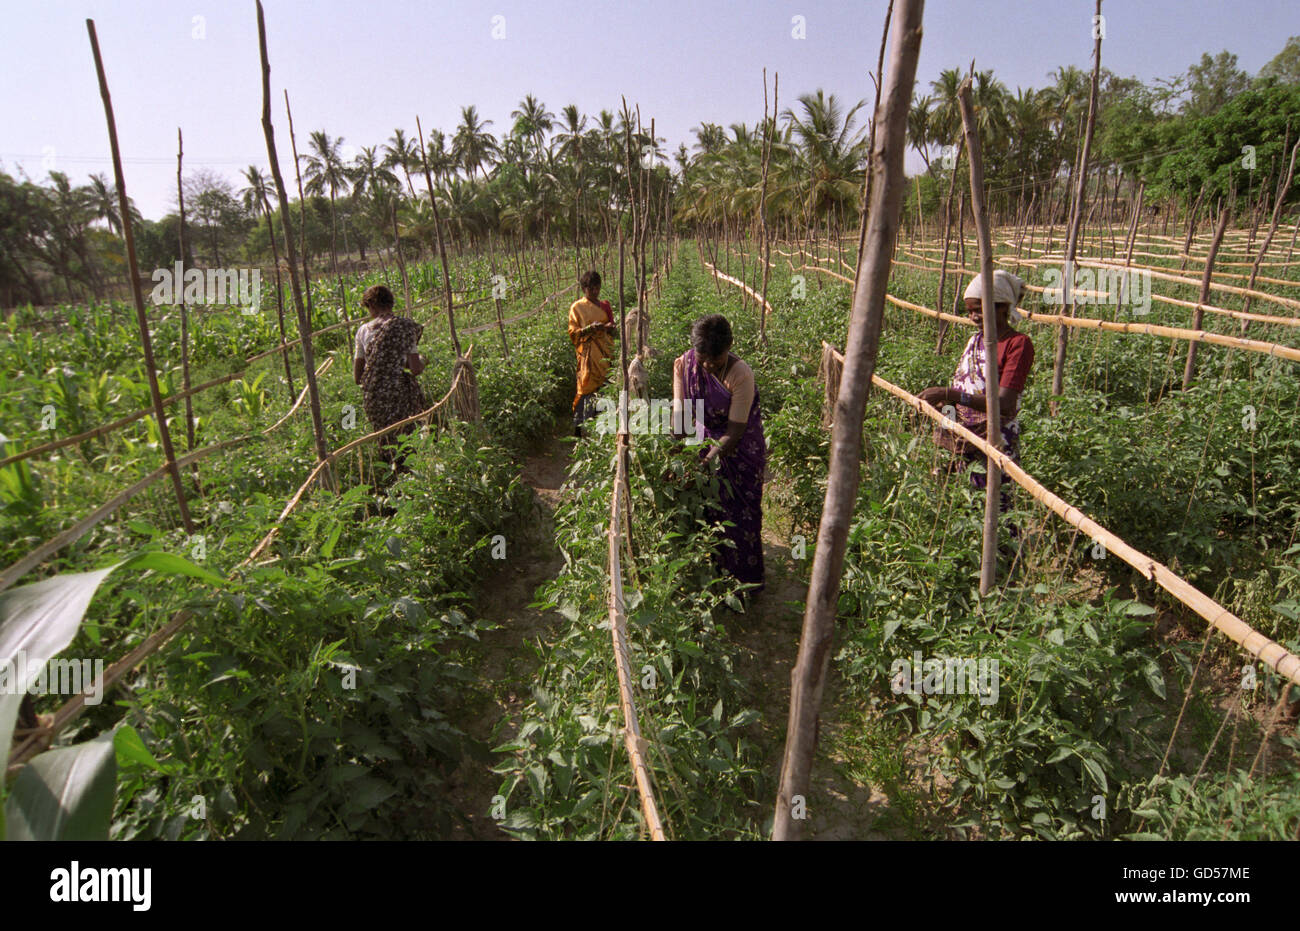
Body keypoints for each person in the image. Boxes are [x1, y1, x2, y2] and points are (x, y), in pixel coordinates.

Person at [918, 269, 1034, 512]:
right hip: (965, 435)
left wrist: (949, 394)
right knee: (965, 503)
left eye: (979, 309)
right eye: (969, 310)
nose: (973, 316)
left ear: (1002, 307)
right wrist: (943, 406)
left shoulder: (1017, 344)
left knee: (996, 508)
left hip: (994, 436)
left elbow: (1004, 404)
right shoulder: (975, 341)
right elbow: (965, 384)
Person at [672, 314, 767, 592]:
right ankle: (713, 581)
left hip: (739, 451)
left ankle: (745, 585)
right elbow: (680, 416)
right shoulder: (684, 365)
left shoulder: (741, 374)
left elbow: (734, 432)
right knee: (710, 514)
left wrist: (705, 463)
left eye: (716, 359)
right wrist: (676, 452)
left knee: (741, 517)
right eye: (703, 358)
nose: (708, 365)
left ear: (730, 348)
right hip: (704, 442)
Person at [353, 284, 428, 470]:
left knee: (385, 440)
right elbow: (415, 368)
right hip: (399, 395)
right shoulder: (404, 327)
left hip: (374, 398)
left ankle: (389, 478)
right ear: (391, 303)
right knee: (406, 439)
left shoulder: (363, 331)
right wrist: (424, 360)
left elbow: (357, 376)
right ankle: (410, 477)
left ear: (371, 305)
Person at [567, 270, 618, 436]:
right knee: (585, 389)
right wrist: (590, 329)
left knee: (605, 387)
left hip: (605, 354)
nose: (595, 292)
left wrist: (609, 328)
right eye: (591, 289)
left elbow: (613, 330)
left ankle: (603, 428)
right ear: (584, 289)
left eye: (597, 288)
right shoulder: (577, 307)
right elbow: (573, 332)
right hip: (588, 357)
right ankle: (578, 429)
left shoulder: (605, 305)